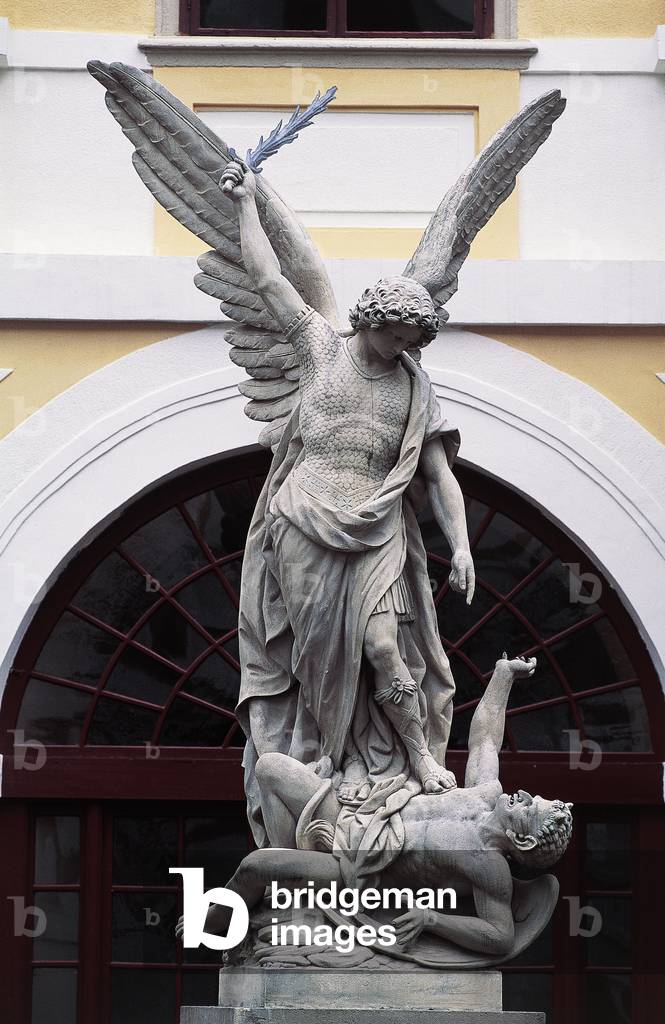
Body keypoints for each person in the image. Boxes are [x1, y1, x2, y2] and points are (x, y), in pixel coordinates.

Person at [222, 160, 475, 844]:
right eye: (399, 336)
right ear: (374, 320)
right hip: (306, 518)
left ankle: (420, 757)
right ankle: (327, 757)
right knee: (314, 656)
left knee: (383, 646)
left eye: (415, 342)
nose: (406, 349)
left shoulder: (414, 388)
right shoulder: (317, 348)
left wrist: (459, 545)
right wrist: (246, 202)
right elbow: (270, 280)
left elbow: (435, 473)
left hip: (379, 527)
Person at [194, 654, 572, 959]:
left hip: (353, 870)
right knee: (271, 767)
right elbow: (486, 739)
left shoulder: (488, 866)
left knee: (254, 865)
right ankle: (289, 889)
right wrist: (503, 675)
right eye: (533, 796)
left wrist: (432, 919)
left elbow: (499, 937)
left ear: (520, 841)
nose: (525, 795)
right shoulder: (486, 792)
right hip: (355, 816)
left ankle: (221, 919)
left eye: (530, 808)